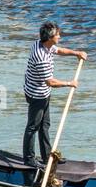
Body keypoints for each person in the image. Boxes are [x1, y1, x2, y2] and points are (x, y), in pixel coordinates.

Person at [22, 22, 87, 168]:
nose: (60, 36)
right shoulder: (41, 57)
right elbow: (51, 82)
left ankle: (47, 157)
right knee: (33, 127)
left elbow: (59, 51)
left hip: (43, 93)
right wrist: (69, 83)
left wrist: (76, 53)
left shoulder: (45, 45)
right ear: (50, 37)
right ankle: (29, 159)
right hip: (36, 94)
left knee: (45, 125)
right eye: (58, 34)